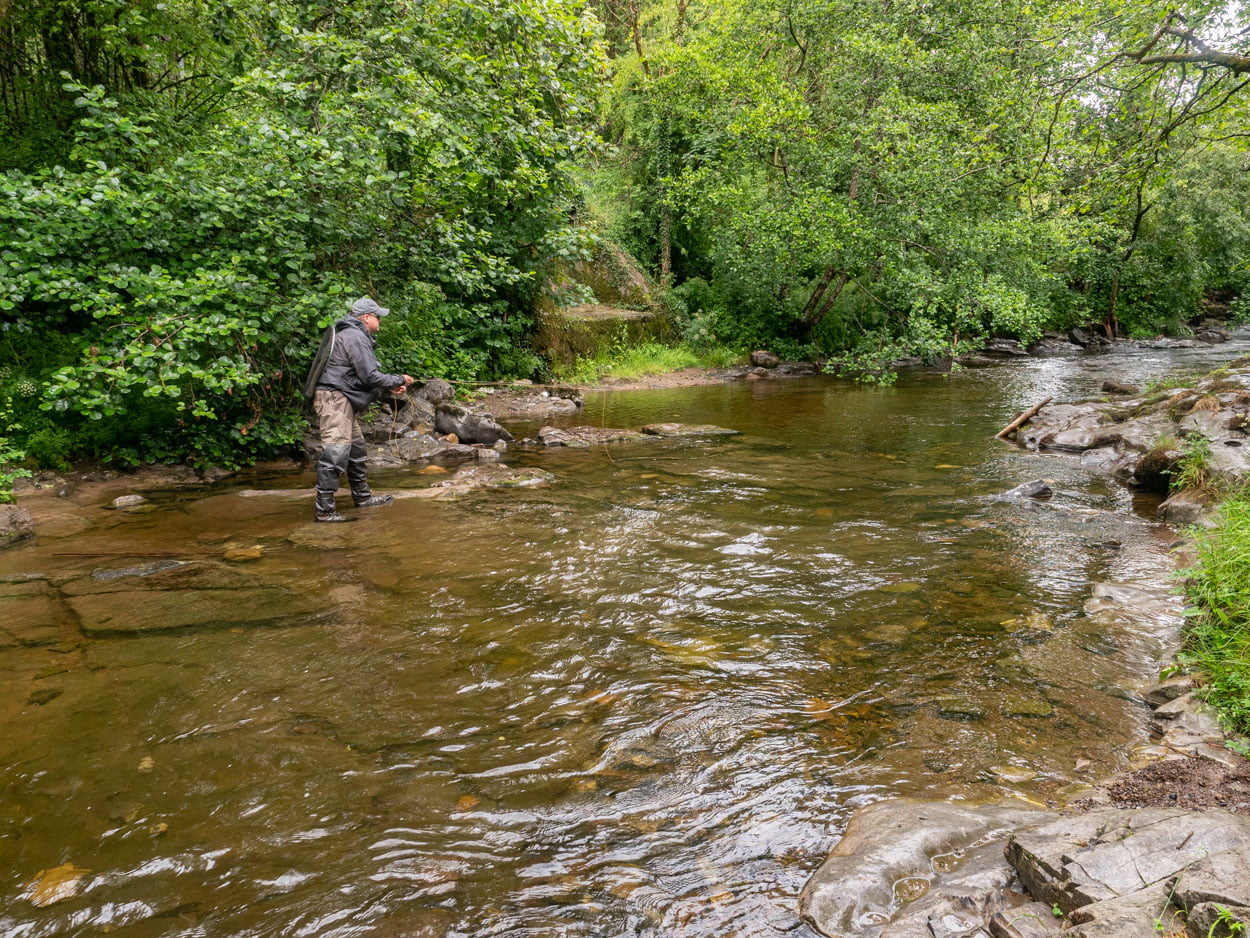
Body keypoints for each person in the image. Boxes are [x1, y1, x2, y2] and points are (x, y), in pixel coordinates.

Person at [310, 297, 414, 522]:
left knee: (356, 451)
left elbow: (357, 376)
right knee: (335, 453)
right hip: (335, 400)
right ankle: (325, 512)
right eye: (378, 317)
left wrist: (391, 385)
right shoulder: (355, 336)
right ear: (366, 318)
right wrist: (399, 379)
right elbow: (370, 376)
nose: (380, 321)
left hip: (341, 399)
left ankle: (363, 498)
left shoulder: (351, 335)